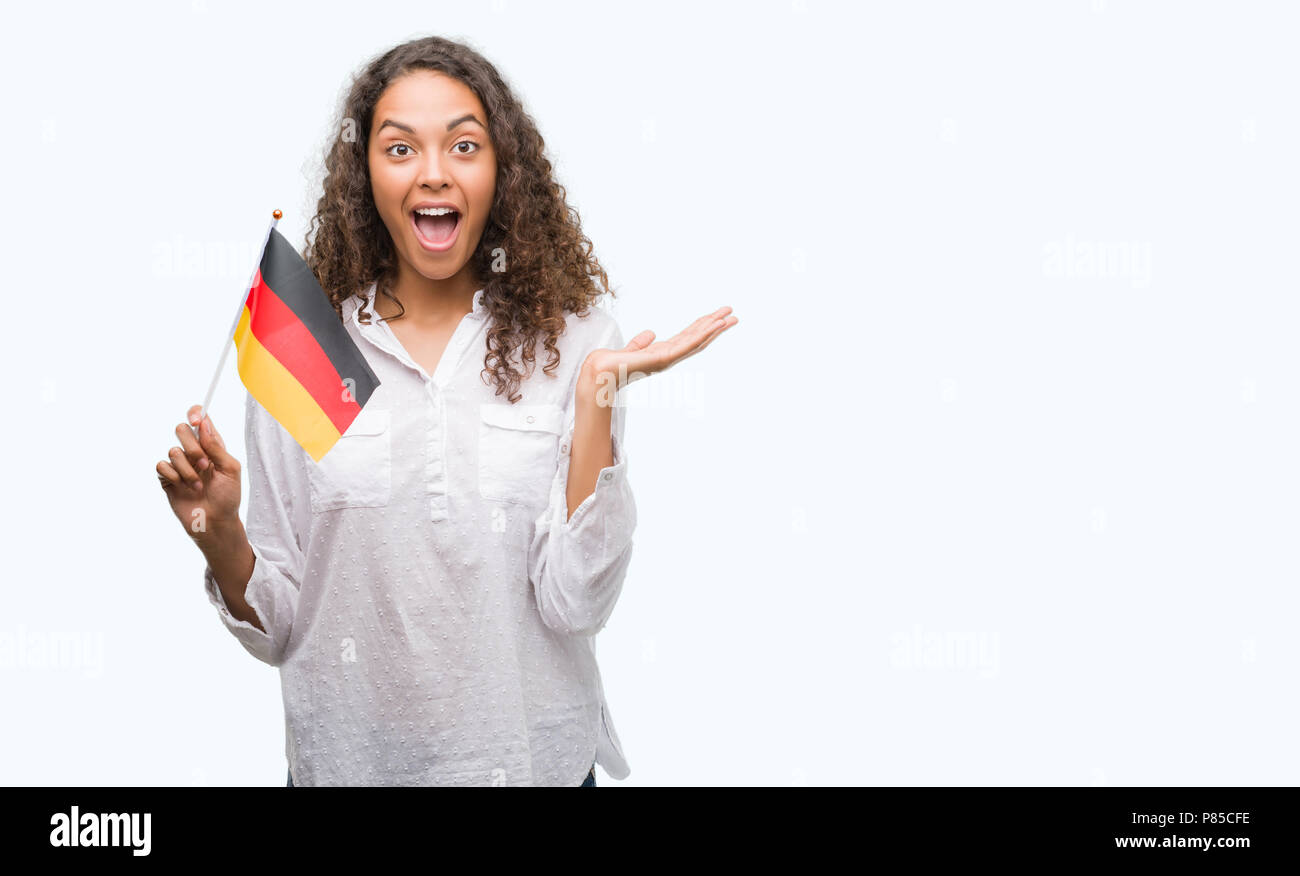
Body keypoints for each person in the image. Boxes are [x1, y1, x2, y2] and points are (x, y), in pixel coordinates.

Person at [157, 35, 737, 787]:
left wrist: (597, 396)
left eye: (464, 145)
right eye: (400, 149)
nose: (434, 172)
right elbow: (281, 628)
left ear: (501, 169)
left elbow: (576, 603)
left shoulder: (575, 342)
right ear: (365, 173)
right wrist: (220, 530)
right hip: (346, 768)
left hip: (531, 768)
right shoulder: (305, 347)